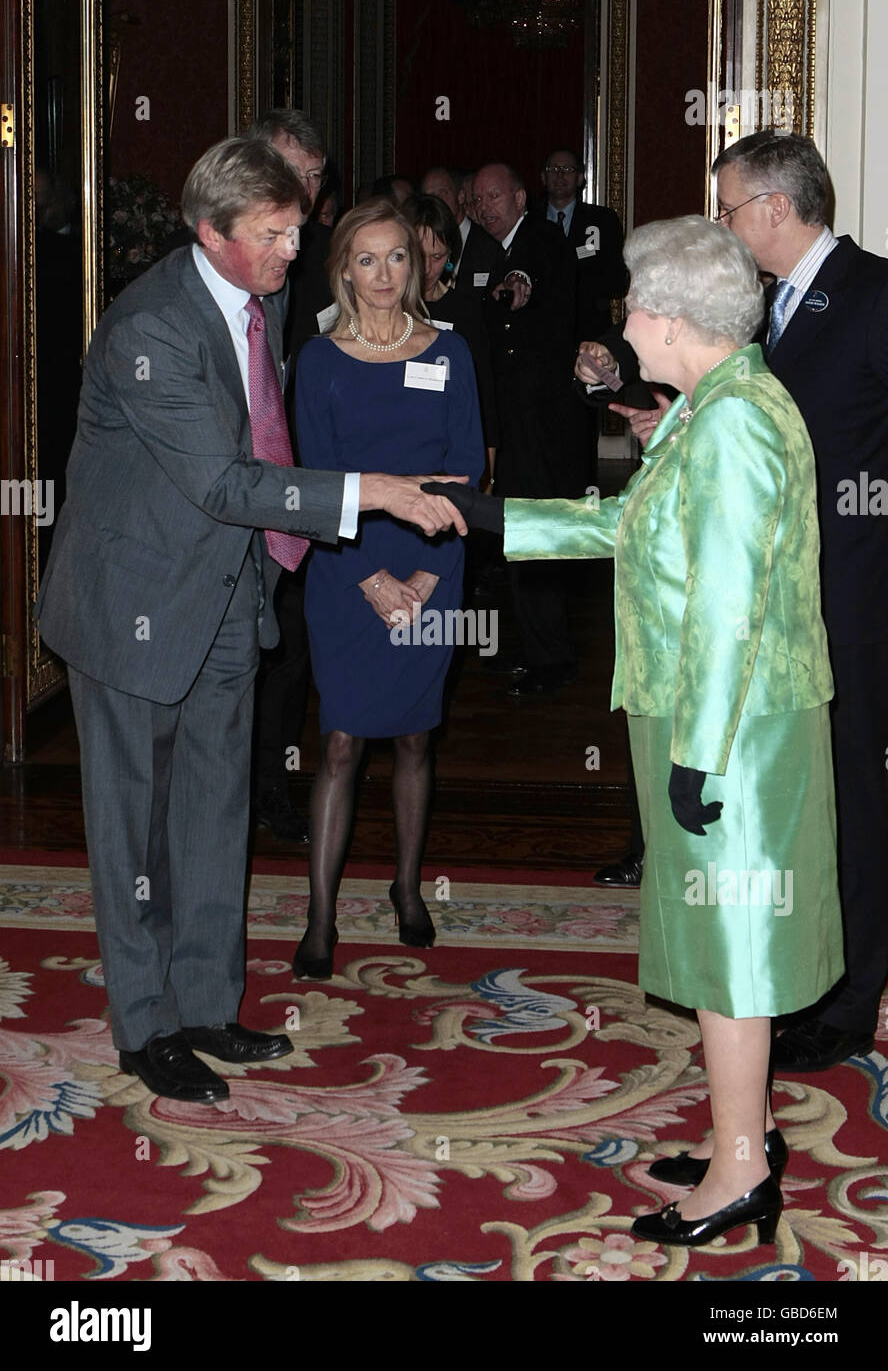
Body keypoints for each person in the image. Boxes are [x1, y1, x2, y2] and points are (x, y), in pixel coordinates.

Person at [424, 214, 844, 1247]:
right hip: (703, 716)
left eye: (632, 303)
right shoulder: (711, 405)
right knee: (712, 946)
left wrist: (699, 755)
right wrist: (489, 514)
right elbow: (626, 528)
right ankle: (739, 1132)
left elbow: (730, 606)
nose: (623, 320)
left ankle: (743, 1169)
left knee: (735, 949)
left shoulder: (737, 420)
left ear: (671, 314)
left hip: (734, 730)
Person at [35, 138, 467, 1107]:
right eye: (273, 235)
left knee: (214, 814)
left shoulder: (256, 300)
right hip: (135, 609)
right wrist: (378, 493)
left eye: (295, 227)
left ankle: (204, 1002)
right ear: (211, 232)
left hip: (227, 599)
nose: (292, 248)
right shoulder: (150, 327)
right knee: (138, 831)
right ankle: (147, 1026)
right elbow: (226, 480)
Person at [712, 131, 888, 1073]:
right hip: (778, 595)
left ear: (777, 208)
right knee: (796, 795)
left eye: (730, 208)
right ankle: (804, 972)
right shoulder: (764, 311)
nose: (726, 225)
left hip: (854, 597)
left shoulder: (873, 295)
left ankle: (855, 996)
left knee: (855, 792)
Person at [291, 200, 484, 981]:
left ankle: (407, 887)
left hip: (436, 560)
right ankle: (320, 915)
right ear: (343, 267)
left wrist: (425, 580)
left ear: (421, 263)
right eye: (365, 260)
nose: (381, 275)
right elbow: (313, 482)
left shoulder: (452, 352)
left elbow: (467, 468)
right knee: (339, 744)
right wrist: (371, 578)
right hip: (344, 567)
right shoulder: (317, 359)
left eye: (396, 257)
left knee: (413, 737)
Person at [245, 109, 336, 842]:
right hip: (227, 490)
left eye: (312, 177)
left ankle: (270, 791)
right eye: (288, 171)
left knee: (288, 651)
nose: (301, 191)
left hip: (305, 487)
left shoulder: (327, 255)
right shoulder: (220, 257)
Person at [473, 161, 591, 696]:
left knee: (537, 533)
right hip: (513, 421)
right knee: (515, 533)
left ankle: (554, 659)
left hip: (542, 424)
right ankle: (531, 646)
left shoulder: (542, 238)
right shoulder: (489, 249)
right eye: (477, 200)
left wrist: (518, 284)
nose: (486, 207)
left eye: (495, 195)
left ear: (521, 197)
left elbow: (528, 277)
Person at [402, 191, 499, 487]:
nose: (427, 269)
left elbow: (483, 392)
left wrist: (488, 477)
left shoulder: (466, 309)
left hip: (448, 452)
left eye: (437, 257)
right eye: (418, 256)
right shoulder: (386, 309)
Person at [535, 147, 626, 340]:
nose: (559, 175)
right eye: (553, 169)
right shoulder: (530, 220)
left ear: (581, 178)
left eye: (568, 169)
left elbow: (616, 279)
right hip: (540, 331)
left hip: (589, 328)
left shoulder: (602, 220)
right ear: (543, 177)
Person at [421, 165, 500, 295]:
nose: (436, 201)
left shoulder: (489, 244)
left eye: (442, 192)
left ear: (461, 196)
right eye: (429, 196)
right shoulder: (416, 245)